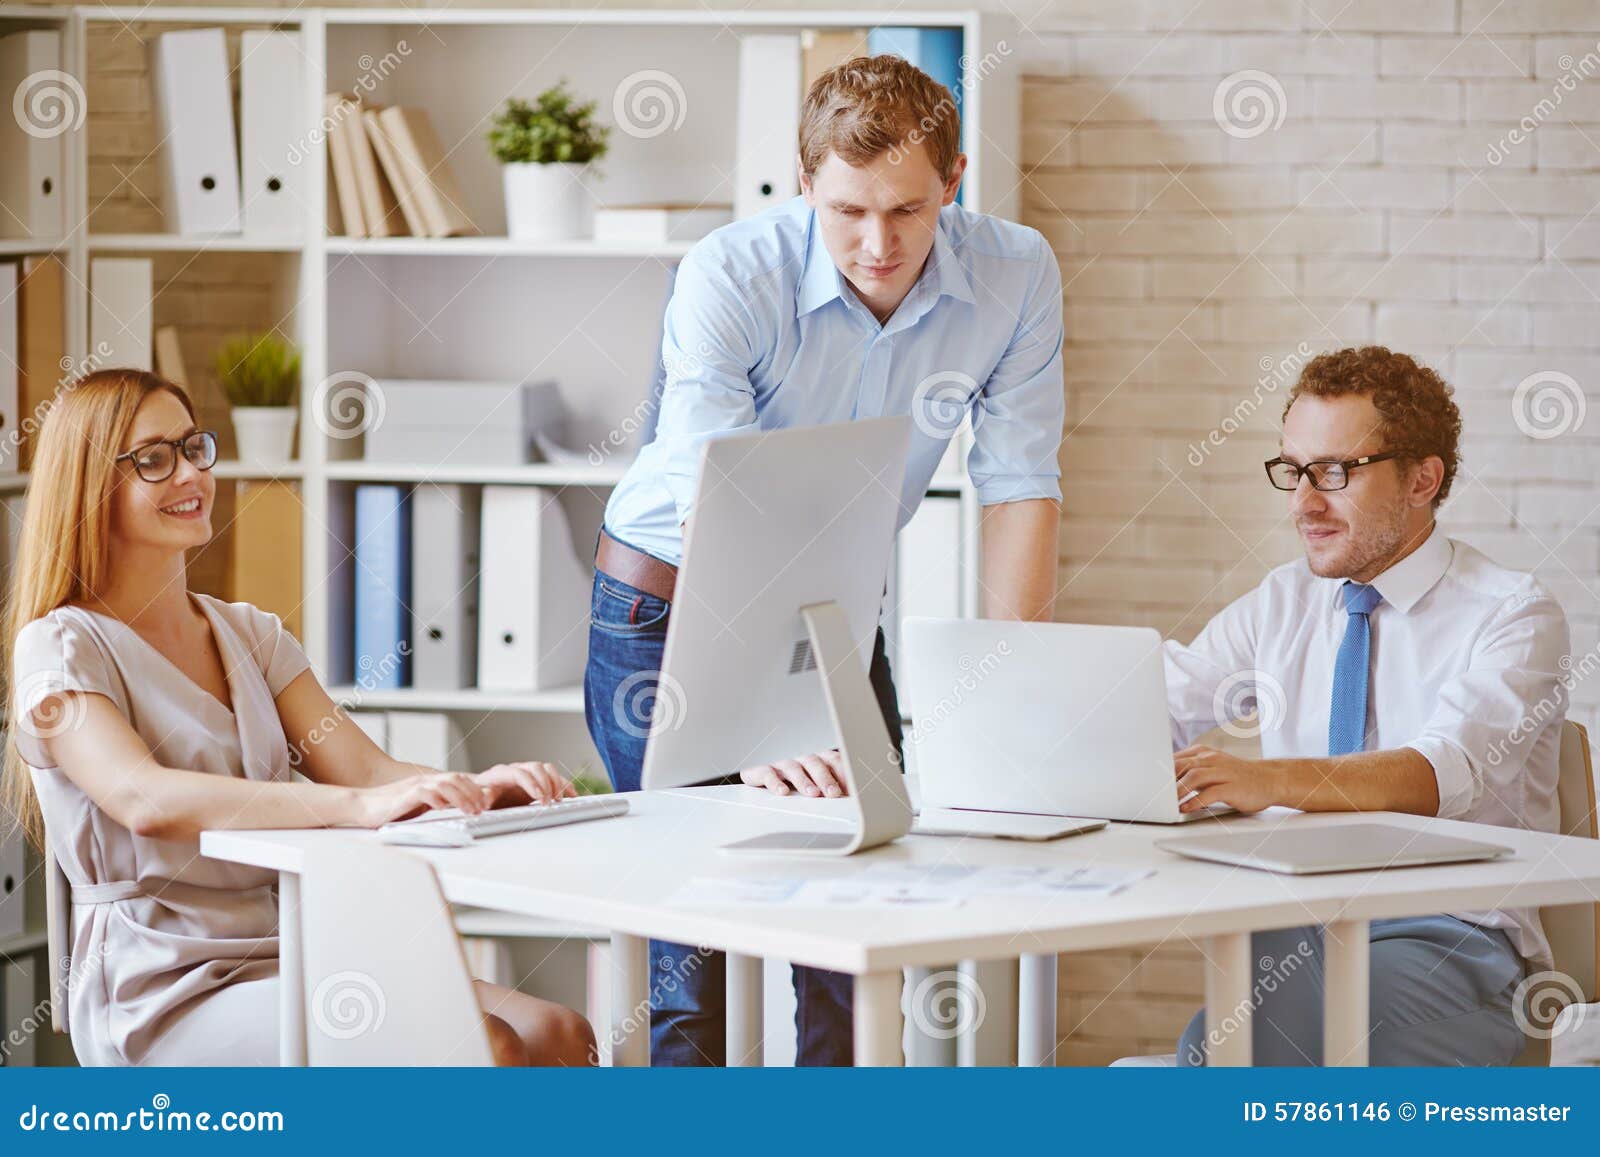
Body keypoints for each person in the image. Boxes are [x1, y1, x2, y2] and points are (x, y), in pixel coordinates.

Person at [585, 54, 1065, 1065]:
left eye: (906, 208)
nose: (877, 243)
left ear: (955, 178)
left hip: (835, 606)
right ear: (803, 183)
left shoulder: (1017, 272)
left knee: (856, 933)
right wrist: (751, 716)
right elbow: (729, 498)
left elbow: (1018, 481)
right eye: (847, 209)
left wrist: (1008, 694)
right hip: (673, 615)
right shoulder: (729, 274)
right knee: (698, 953)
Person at [1, 369, 596, 1067]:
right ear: (91, 487)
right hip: (161, 988)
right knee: (478, 1046)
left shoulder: (248, 634)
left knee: (562, 1031)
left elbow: (370, 770)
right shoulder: (62, 645)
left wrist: (478, 787)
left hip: (297, 950)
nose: (190, 472)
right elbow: (143, 798)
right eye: (154, 459)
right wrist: (358, 806)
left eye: (195, 447)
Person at [1163, 346, 1568, 1065]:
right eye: (1293, 471)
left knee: (1250, 1048)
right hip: (1301, 927)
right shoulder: (1283, 601)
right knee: (1215, 1046)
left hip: (1451, 940)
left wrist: (1270, 780)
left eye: (1335, 472)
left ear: (1422, 478)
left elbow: (1437, 773)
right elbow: (1161, 702)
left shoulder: (1513, 613)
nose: (1302, 503)